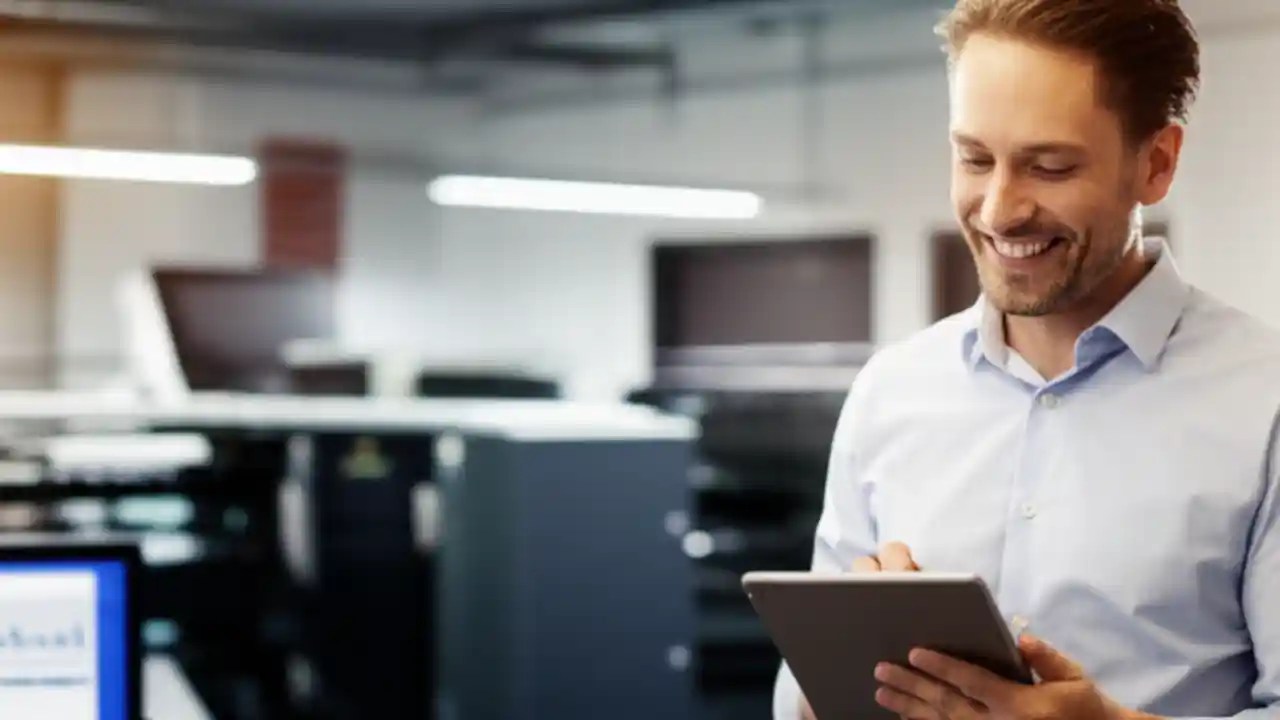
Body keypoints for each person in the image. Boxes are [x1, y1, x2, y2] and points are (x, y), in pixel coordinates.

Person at [773, 1, 1280, 718]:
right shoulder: (890, 394)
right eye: (975, 159)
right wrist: (839, 688)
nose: (1000, 208)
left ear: (1157, 164)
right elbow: (797, 694)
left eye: (1049, 166)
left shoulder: (1265, 407)